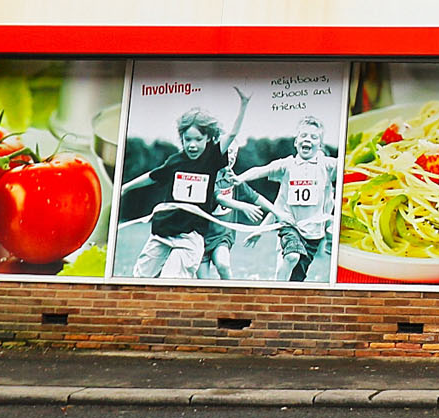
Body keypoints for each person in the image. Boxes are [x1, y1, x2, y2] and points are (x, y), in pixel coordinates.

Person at [121, 92, 247, 279]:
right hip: (163, 231)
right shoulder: (175, 161)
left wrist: (244, 104)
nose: (192, 145)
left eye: (198, 139)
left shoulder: (212, 159)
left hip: (190, 237)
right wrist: (124, 188)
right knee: (140, 277)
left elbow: (233, 134)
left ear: (209, 139)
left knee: (172, 280)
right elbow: (152, 176)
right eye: (188, 140)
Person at [227, 114, 338, 282]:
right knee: (292, 256)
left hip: (313, 235)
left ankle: (280, 287)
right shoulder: (287, 165)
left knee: (297, 278)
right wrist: (239, 178)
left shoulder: (327, 166)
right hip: (290, 225)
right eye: (303, 135)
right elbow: (260, 170)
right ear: (296, 142)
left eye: (314, 137)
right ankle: (275, 288)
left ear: (319, 144)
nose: (307, 139)